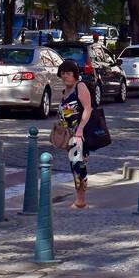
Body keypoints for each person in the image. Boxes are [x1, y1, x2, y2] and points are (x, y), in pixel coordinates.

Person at [57, 58, 94, 208]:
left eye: (68, 73)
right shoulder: (65, 91)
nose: (65, 76)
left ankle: (81, 200)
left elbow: (88, 108)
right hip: (70, 135)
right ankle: (79, 199)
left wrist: (80, 129)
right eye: (63, 73)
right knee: (74, 166)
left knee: (80, 167)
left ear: (75, 74)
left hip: (79, 135)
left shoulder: (80, 86)